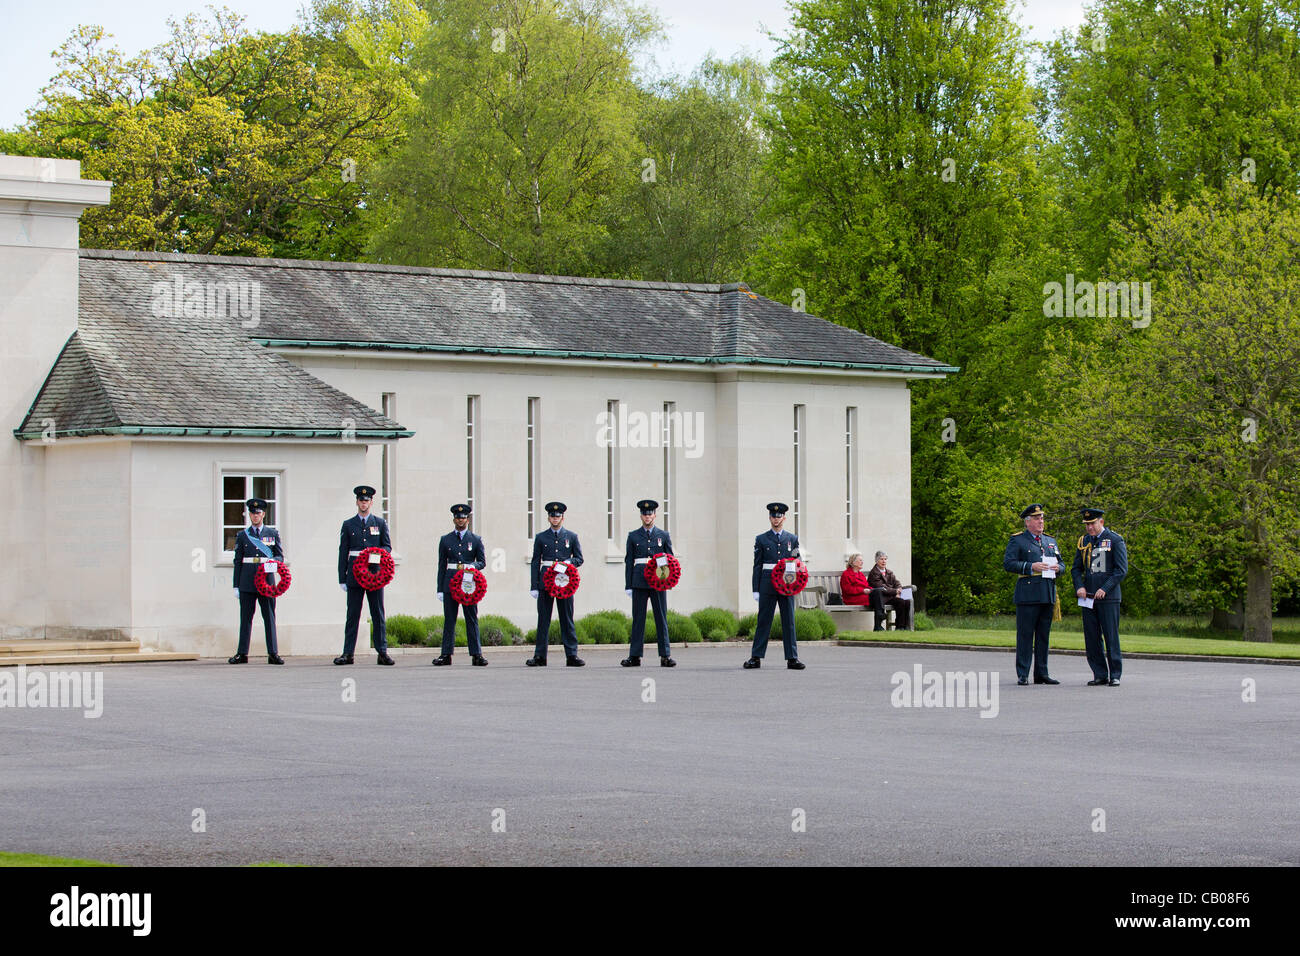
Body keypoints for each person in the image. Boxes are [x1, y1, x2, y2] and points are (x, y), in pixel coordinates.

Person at [1002, 503, 1064, 685]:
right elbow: (1009, 564)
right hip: (1028, 594)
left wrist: (1058, 568)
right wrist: (1031, 567)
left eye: (1042, 518)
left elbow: (1062, 564)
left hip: (1047, 593)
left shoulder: (1049, 541)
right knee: (1025, 636)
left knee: (1044, 636)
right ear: (1028, 522)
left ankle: (1041, 673)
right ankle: (1023, 673)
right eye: (1037, 519)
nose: (1041, 521)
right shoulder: (1018, 540)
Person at [336, 485, 394, 666]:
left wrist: (375, 553)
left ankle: (382, 652)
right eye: (361, 500)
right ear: (357, 502)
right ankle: (348, 653)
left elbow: (387, 547)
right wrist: (342, 577)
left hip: (374, 574)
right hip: (354, 574)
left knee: (378, 613)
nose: (363, 503)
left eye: (366, 500)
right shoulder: (348, 524)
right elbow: (343, 551)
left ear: (371, 502)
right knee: (353, 614)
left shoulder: (380, 523)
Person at [1071, 507, 1128, 686]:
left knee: (1111, 636)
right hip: (1088, 597)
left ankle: (1115, 674)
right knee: (1092, 637)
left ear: (1101, 522)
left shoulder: (1114, 540)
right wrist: (1079, 586)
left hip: (1108, 598)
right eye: (1087, 524)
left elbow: (1121, 570)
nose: (1089, 528)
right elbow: (1076, 569)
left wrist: (1106, 588)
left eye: (1092, 523)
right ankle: (1099, 673)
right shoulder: (1084, 541)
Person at [744, 502, 804, 670]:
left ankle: (792, 658)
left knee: (789, 621)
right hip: (768, 583)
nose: (776, 519)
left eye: (779, 516)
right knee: (764, 621)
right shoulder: (761, 539)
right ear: (769, 517)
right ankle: (756, 657)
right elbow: (757, 565)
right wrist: (756, 589)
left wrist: (796, 584)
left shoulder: (792, 539)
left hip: (787, 583)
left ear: (784, 518)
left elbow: (797, 563)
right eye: (773, 516)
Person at [527, 501, 585, 667]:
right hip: (546, 582)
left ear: (563, 518)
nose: (555, 518)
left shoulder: (571, 537)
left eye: (558, 516)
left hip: (565, 582)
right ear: (548, 518)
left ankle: (572, 655)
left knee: (567, 619)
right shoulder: (541, 537)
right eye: (552, 516)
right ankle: (540, 656)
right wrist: (534, 585)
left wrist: (569, 561)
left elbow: (580, 558)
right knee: (543, 619)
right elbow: (535, 562)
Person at [228, 497, 284, 664]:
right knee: (245, 618)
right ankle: (242, 653)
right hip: (247, 581)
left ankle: (273, 653)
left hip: (266, 582)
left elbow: (280, 556)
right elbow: (238, 561)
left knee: (269, 617)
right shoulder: (243, 536)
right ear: (249, 515)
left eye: (258, 513)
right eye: (253, 513)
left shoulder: (272, 534)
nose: (255, 516)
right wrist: (236, 585)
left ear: (263, 514)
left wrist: (273, 562)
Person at [622, 498, 676, 667]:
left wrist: (668, 580)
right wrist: (628, 585)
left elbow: (670, 559)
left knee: (661, 617)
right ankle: (635, 655)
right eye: (644, 514)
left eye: (650, 513)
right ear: (641, 516)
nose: (647, 517)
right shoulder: (633, 536)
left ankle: (665, 655)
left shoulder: (663, 535)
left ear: (655, 515)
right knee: (638, 619)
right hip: (639, 580)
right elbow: (629, 561)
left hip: (658, 581)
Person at [433, 503, 488, 667]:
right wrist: (440, 589)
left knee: (471, 618)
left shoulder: (475, 540)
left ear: (468, 519)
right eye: (457, 517)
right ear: (454, 519)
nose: (460, 520)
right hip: (450, 581)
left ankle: (476, 654)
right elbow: (441, 565)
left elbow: (482, 562)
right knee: (449, 620)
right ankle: (446, 654)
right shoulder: (445, 540)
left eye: (463, 517)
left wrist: (474, 566)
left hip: (468, 583)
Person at [866, 551, 912, 631]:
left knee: (907, 601)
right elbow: (881, 587)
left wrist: (899, 589)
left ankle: (905, 626)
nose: (884, 561)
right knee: (900, 602)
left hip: (891, 596)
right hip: (882, 598)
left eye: (885, 559)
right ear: (876, 561)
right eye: (881, 559)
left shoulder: (889, 572)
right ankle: (899, 627)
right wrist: (895, 592)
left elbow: (897, 583)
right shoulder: (874, 573)